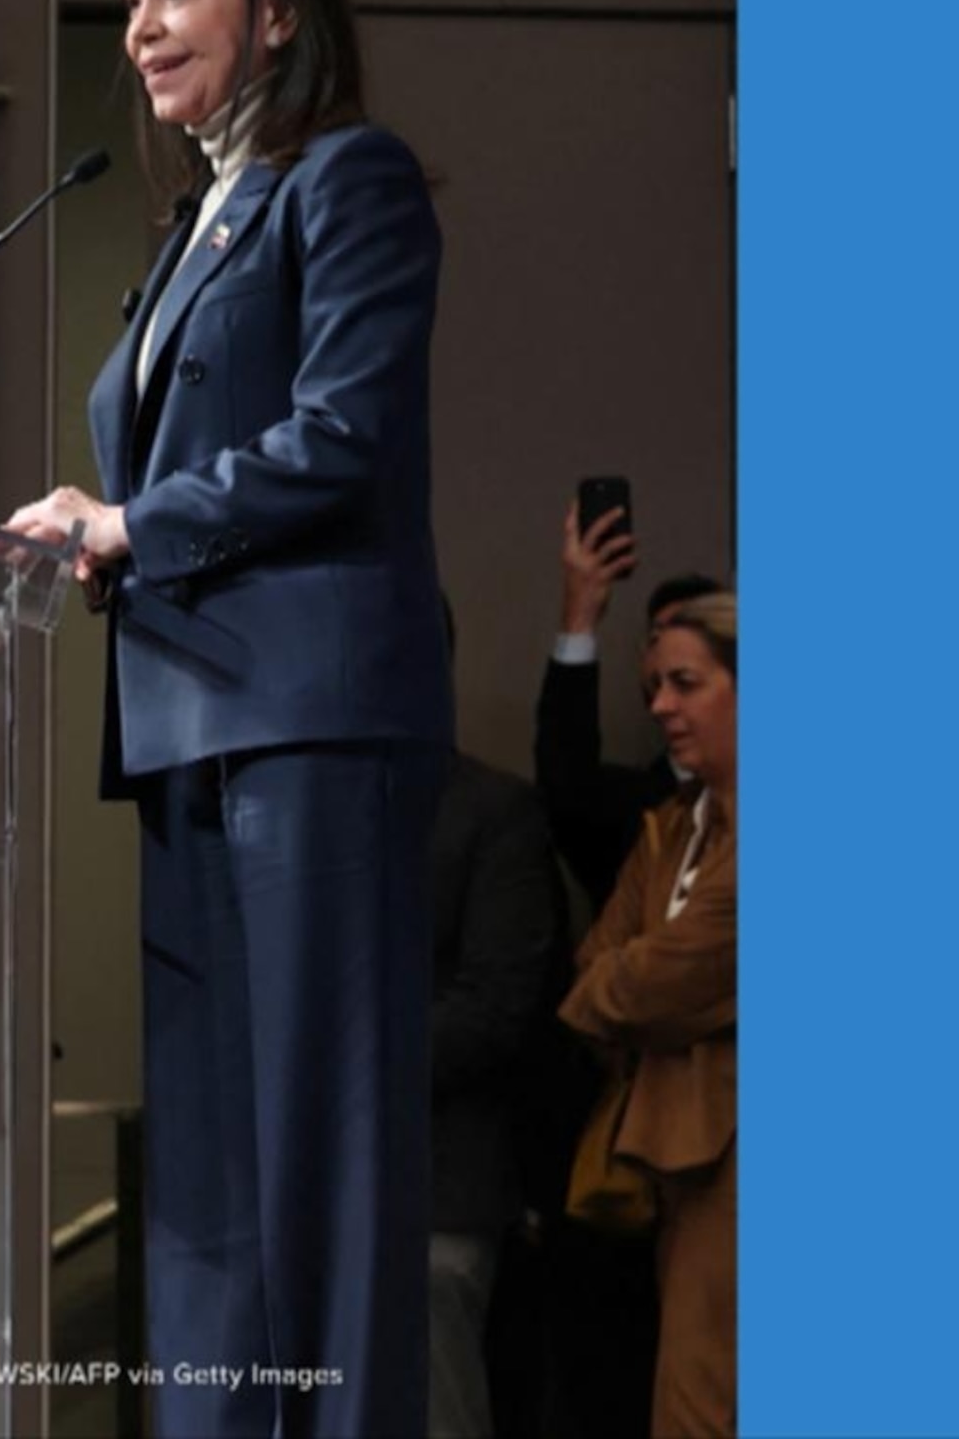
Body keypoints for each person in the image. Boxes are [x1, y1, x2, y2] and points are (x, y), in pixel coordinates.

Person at [3, 0, 450, 1439]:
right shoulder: (197, 224)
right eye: (128, 1)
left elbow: (343, 435)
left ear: (274, 10)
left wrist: (132, 526)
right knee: (208, 1195)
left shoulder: (350, 180)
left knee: (318, 1181)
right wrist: (96, 519)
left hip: (311, 735)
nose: (138, 29)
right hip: (191, 736)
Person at [559, 593, 738, 1439]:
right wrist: (647, 994)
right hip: (676, 1159)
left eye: (685, 682)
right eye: (653, 687)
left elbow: (655, 980)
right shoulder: (674, 827)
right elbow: (596, 973)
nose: (662, 705)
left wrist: (640, 991)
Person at [423, 608, 566, 1439]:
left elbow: (497, 1008)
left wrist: (342, 1071)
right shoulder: (310, 814)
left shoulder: (493, 811)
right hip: (316, 1189)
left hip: (442, 1190)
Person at [535, 494, 720, 901]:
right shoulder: (637, 811)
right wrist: (579, 617)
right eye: (658, 639)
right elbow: (566, 787)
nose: (666, 698)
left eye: (688, 673)